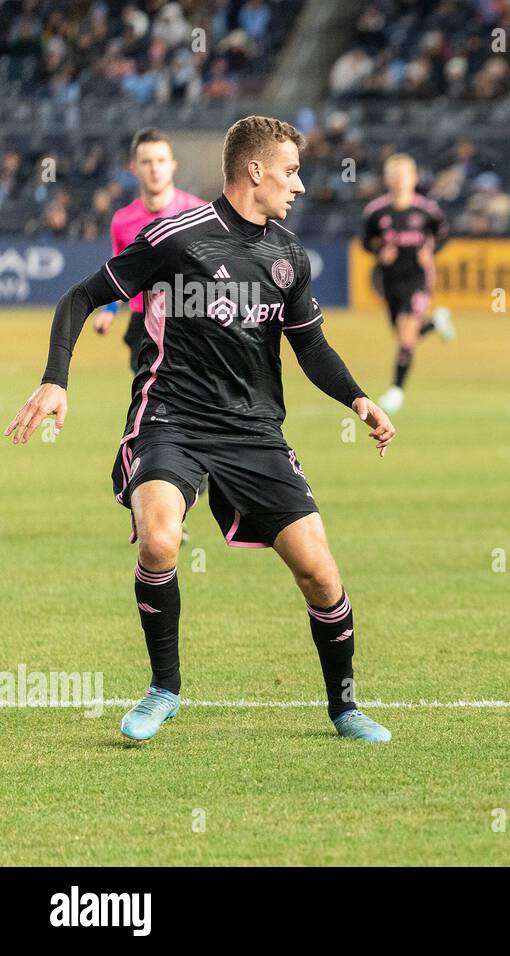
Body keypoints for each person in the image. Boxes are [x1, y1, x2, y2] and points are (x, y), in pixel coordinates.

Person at [5, 116, 399, 743]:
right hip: (172, 420)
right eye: (291, 171)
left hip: (253, 432)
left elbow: (312, 349)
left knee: (321, 573)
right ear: (255, 170)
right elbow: (79, 298)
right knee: (160, 540)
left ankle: (345, 707)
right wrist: (56, 378)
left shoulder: (288, 255)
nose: (298, 186)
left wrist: (358, 399)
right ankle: (164, 688)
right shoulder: (176, 239)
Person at [94, 128, 206, 372]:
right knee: (147, 401)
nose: (154, 169)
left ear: (173, 165)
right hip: (142, 322)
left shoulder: (200, 214)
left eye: (161, 161)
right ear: (133, 168)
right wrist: (110, 310)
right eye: (146, 162)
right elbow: (120, 274)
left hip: (190, 321)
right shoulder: (122, 221)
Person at [361, 153, 454, 415]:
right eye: (395, 174)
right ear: (387, 178)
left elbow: (444, 233)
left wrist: (430, 250)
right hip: (390, 280)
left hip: (418, 277)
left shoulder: (427, 210)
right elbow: (366, 241)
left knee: (406, 331)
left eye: (405, 174)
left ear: (415, 177)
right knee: (404, 336)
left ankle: (396, 390)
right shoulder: (376, 211)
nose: (400, 180)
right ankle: (435, 322)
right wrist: (380, 252)